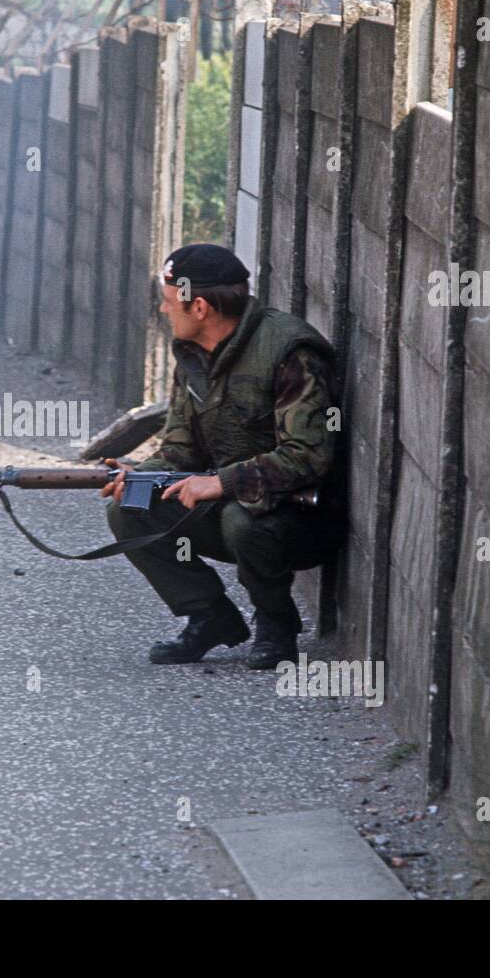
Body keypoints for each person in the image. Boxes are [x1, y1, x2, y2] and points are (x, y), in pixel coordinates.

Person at [103, 243, 345, 669]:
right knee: (130, 508)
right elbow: (180, 449)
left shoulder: (289, 352)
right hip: (233, 502)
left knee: (241, 520)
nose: (163, 310)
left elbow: (307, 455)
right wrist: (143, 474)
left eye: (167, 301)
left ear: (198, 306)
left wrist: (221, 483)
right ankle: (210, 616)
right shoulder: (193, 356)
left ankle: (276, 621)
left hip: (302, 518)